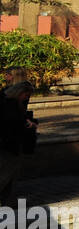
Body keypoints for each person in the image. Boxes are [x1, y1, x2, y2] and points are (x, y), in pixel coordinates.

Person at [0, 67, 37, 210]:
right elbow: (12, 121)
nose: (5, 77)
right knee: (7, 171)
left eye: (7, 75)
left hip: (12, 141)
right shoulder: (7, 99)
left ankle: (8, 201)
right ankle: (8, 201)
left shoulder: (12, 96)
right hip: (9, 141)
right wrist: (26, 123)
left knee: (12, 173)